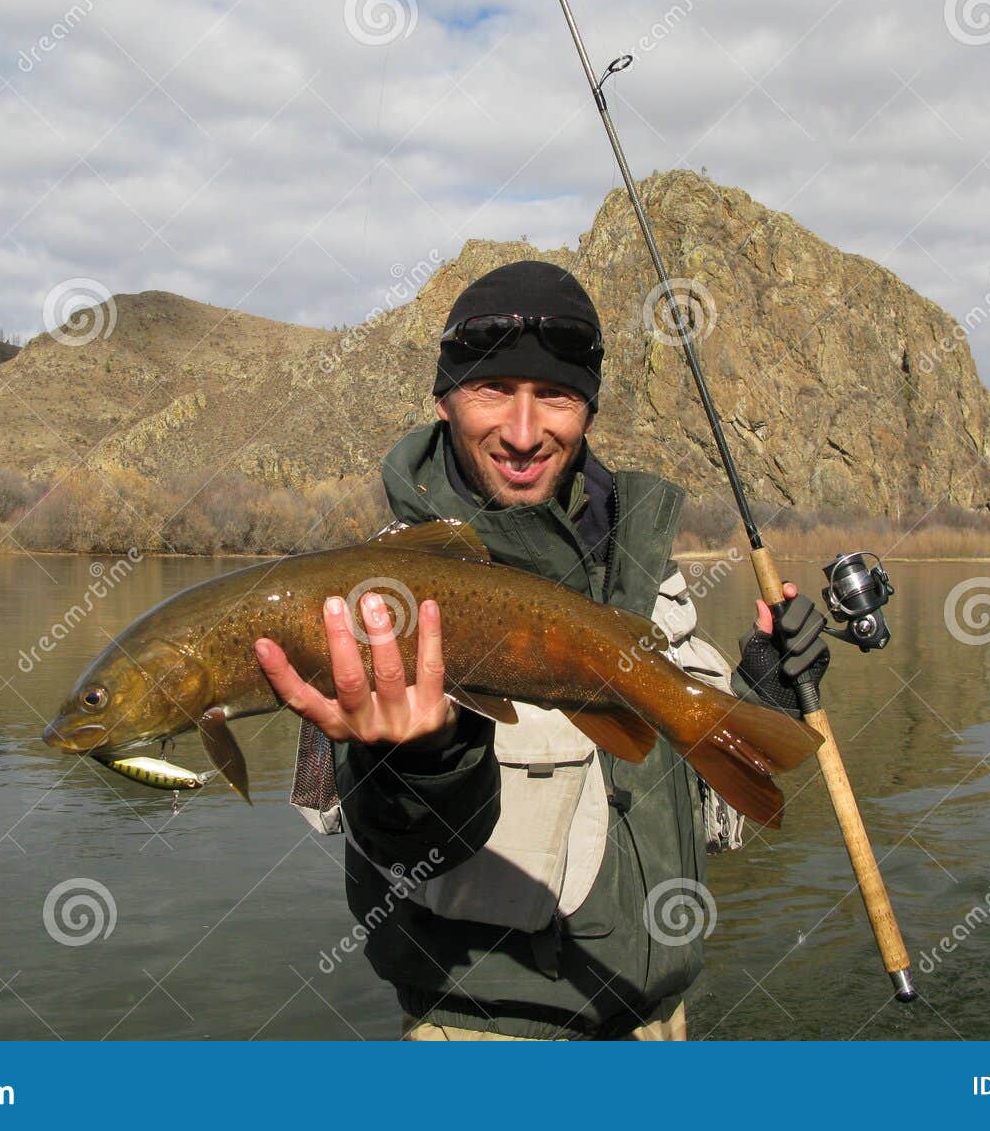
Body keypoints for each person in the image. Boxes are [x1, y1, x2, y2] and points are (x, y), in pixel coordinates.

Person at [254, 259, 827, 1040]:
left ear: (589, 409)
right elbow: (362, 828)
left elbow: (708, 823)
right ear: (444, 399)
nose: (524, 434)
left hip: (661, 1026)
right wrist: (422, 764)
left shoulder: (644, 570)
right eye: (493, 390)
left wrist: (763, 697)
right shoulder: (370, 596)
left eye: (555, 395)